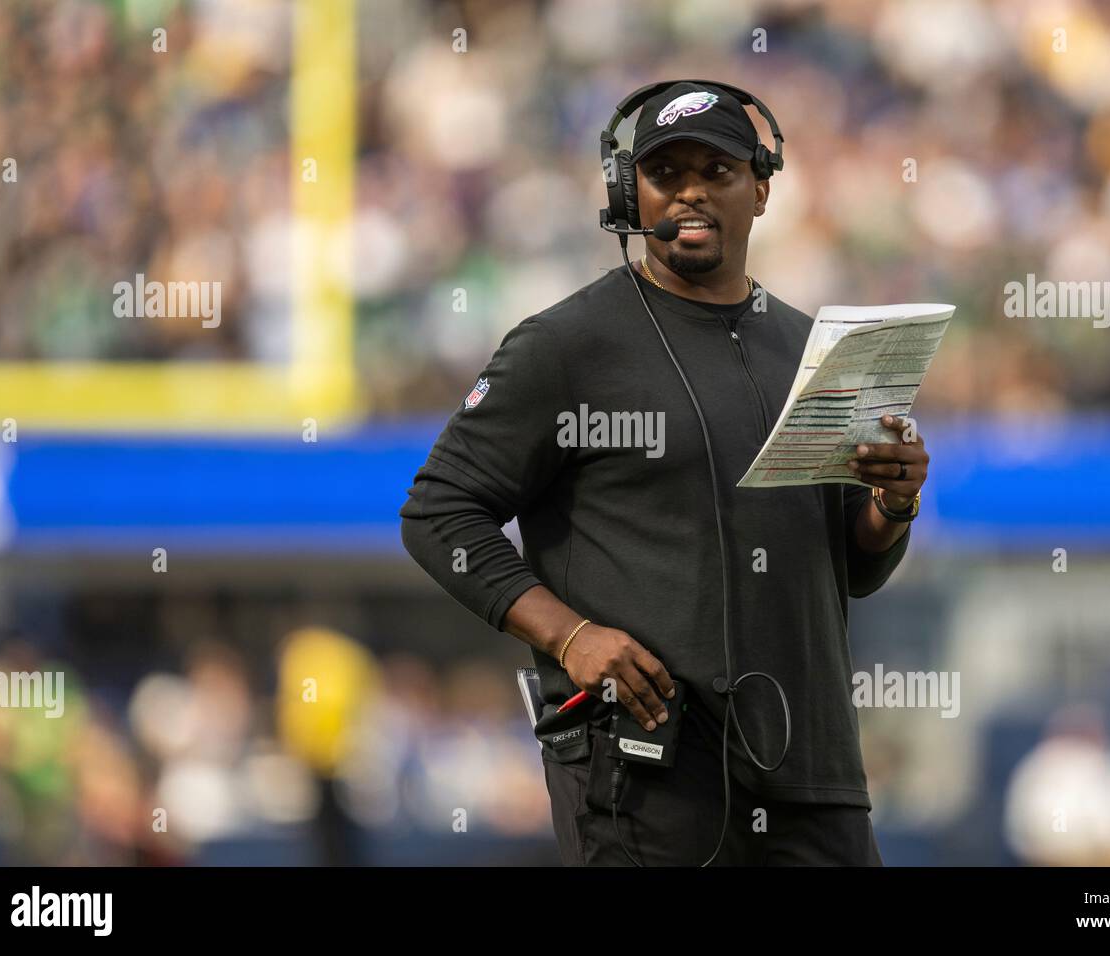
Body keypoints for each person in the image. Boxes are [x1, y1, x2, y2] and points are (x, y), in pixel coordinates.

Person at [398, 80, 929, 865]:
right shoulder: (566, 345)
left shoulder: (810, 349)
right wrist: (569, 634)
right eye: (664, 172)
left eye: (715, 171)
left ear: (761, 188)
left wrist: (893, 501)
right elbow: (437, 512)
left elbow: (850, 568)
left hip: (812, 774)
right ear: (628, 191)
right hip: (646, 775)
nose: (689, 192)